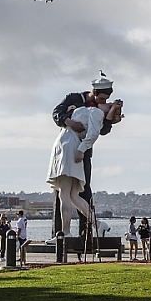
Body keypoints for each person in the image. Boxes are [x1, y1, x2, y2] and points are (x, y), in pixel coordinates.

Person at [47, 78, 122, 236]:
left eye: (106, 101)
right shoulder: (75, 99)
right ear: (94, 93)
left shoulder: (96, 111)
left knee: (76, 192)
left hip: (77, 149)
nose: (104, 102)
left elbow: (101, 131)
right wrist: (69, 121)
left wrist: (110, 111)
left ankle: (78, 232)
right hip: (71, 146)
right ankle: (64, 231)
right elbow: (56, 113)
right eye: (102, 99)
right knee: (68, 194)